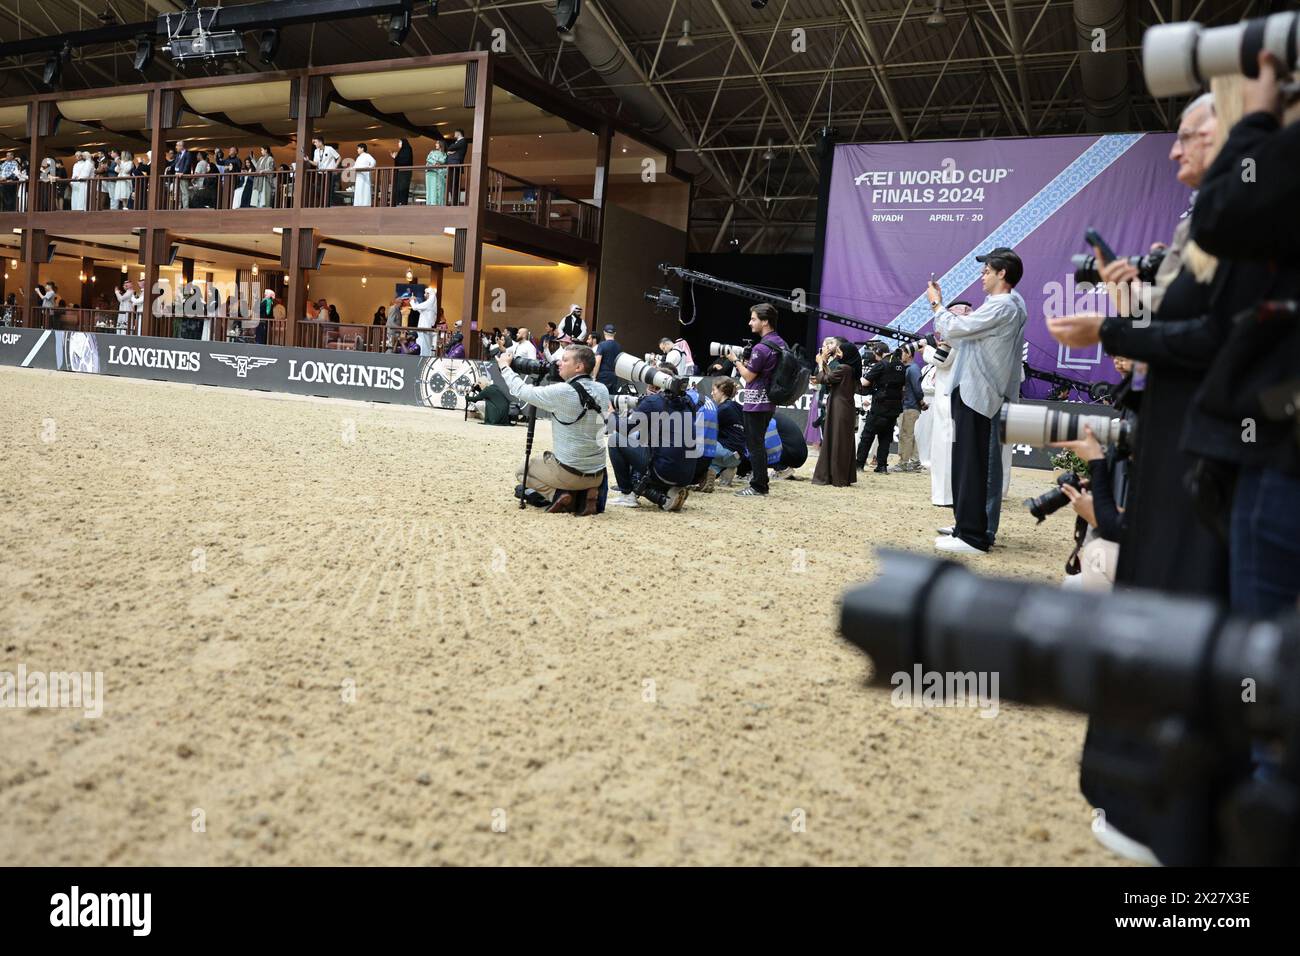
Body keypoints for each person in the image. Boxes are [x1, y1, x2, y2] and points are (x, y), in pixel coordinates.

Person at [926, 246, 1027, 554]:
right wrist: (947, 322)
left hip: (980, 392)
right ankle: (965, 526)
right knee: (966, 462)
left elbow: (957, 327)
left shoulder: (1005, 305)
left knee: (975, 463)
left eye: (986, 271)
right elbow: (959, 334)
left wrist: (937, 306)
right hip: (971, 389)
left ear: (1002, 274)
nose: (981, 277)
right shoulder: (997, 304)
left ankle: (974, 534)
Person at [496, 343, 609, 515]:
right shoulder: (602, 389)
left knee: (521, 471)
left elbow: (521, 390)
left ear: (578, 367)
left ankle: (558, 495)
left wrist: (504, 366)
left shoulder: (562, 391)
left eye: (564, 360)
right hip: (597, 475)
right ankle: (587, 495)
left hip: (570, 473)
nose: (559, 363)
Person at [606, 366, 696, 511]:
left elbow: (624, 429)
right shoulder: (687, 401)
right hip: (687, 475)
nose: (649, 389)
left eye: (651, 386)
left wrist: (610, 415)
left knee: (616, 440)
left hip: (663, 471)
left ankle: (627, 494)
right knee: (647, 440)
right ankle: (666, 492)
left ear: (658, 385)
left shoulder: (653, 402)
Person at [726, 303, 787, 497]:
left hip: (756, 402)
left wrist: (735, 361)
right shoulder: (780, 342)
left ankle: (759, 485)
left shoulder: (761, 348)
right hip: (769, 400)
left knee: (755, 444)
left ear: (765, 321)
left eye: (753, 319)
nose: (750, 322)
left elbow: (749, 376)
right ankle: (760, 482)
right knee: (757, 442)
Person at [812, 336, 860, 487]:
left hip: (839, 406)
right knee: (840, 440)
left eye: (839, 351)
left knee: (837, 440)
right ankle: (839, 475)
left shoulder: (844, 368)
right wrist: (825, 363)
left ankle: (835, 476)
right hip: (844, 406)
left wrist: (820, 363)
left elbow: (824, 379)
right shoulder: (849, 369)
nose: (837, 353)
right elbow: (829, 377)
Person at [856, 343, 906, 473]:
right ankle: (882, 466)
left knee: (867, 435)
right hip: (895, 406)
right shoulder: (900, 365)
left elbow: (864, 382)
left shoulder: (881, 365)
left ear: (878, 352)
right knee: (885, 437)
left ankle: (859, 464)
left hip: (880, 406)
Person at [701, 378, 744, 488]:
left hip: (724, 451)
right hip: (739, 455)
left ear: (722, 391)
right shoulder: (739, 407)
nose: (711, 393)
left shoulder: (722, 409)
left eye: (714, 390)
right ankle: (725, 469)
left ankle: (706, 474)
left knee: (697, 444)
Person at [891, 344, 926, 472]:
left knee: (906, 435)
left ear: (909, 354)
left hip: (910, 406)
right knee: (909, 435)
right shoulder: (908, 368)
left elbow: (917, 388)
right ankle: (915, 461)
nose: (901, 355)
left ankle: (904, 463)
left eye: (903, 353)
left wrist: (921, 402)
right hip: (907, 405)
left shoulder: (913, 369)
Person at [591, 324, 622, 403]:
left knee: (600, 399)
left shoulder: (602, 345)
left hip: (603, 376)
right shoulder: (619, 346)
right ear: (615, 333)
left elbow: (598, 361)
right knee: (611, 399)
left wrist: (594, 376)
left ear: (604, 332)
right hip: (614, 375)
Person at [306, 137, 340, 206]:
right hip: (320, 173)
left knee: (329, 189)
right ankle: (322, 205)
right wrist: (308, 160)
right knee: (320, 190)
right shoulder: (316, 151)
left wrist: (335, 167)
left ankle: (330, 205)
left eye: (315, 142)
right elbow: (316, 163)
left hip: (329, 173)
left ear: (320, 142)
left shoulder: (329, 148)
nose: (314, 144)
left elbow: (339, 157)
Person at [409, 287, 438, 356]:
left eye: (426, 293)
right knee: (422, 344)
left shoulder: (430, 302)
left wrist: (412, 301)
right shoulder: (429, 302)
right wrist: (415, 301)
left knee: (424, 345)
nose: (424, 295)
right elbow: (420, 310)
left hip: (425, 327)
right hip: (423, 326)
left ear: (428, 294)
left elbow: (415, 308)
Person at [444, 128, 469, 203]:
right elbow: (450, 149)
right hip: (453, 165)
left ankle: (454, 202)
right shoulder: (458, 142)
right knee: (452, 184)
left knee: (454, 184)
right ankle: (453, 201)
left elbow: (450, 147)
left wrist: (451, 150)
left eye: (455, 133)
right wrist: (450, 152)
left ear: (458, 133)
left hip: (455, 165)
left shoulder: (462, 141)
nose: (454, 134)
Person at [424, 138, 448, 206]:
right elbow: (428, 159)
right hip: (430, 172)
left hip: (438, 173)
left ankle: (438, 204)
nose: (435, 144)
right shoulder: (432, 152)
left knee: (437, 188)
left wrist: (438, 162)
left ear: (441, 144)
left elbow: (443, 161)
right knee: (430, 189)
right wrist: (435, 162)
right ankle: (430, 203)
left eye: (437, 143)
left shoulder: (445, 154)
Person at [390, 137, 413, 206]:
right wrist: (395, 158)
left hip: (404, 173)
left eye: (399, 142)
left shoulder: (407, 150)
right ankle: (398, 202)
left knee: (402, 188)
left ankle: (402, 203)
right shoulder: (402, 150)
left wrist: (395, 157)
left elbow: (405, 161)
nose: (398, 144)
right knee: (398, 188)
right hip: (401, 173)